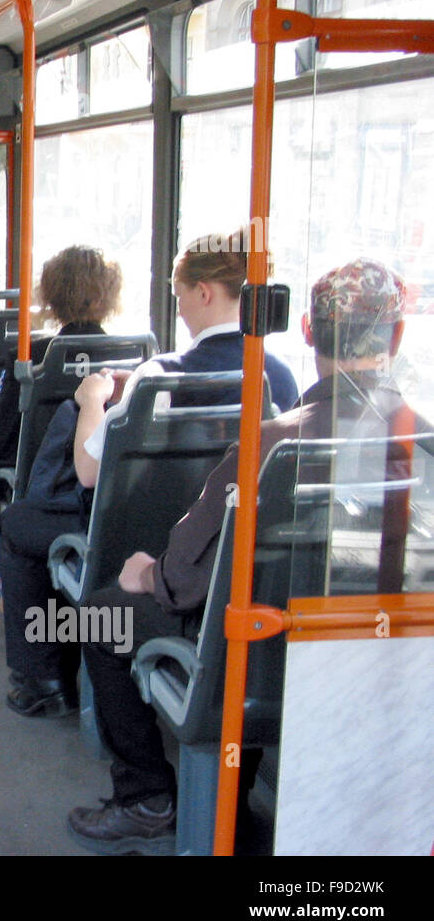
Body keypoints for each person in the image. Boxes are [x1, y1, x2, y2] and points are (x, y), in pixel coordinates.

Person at [67, 258, 413, 854]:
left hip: (260, 659)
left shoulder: (270, 447)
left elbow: (184, 577)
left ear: (307, 330)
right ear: (398, 338)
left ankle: (146, 796)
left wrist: (146, 572)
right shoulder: (421, 445)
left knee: (102, 615)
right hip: (386, 668)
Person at [0, 231, 299, 718]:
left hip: (137, 543)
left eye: (179, 296)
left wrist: (93, 400)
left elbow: (89, 472)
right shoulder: (280, 378)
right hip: (229, 556)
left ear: (204, 293)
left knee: (18, 524)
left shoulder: (158, 375)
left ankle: (43, 678)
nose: (178, 309)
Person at [0, 245, 123, 513]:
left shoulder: (30, 355)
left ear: (52, 298)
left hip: (44, 480)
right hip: (108, 482)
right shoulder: (127, 357)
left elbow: (0, 436)